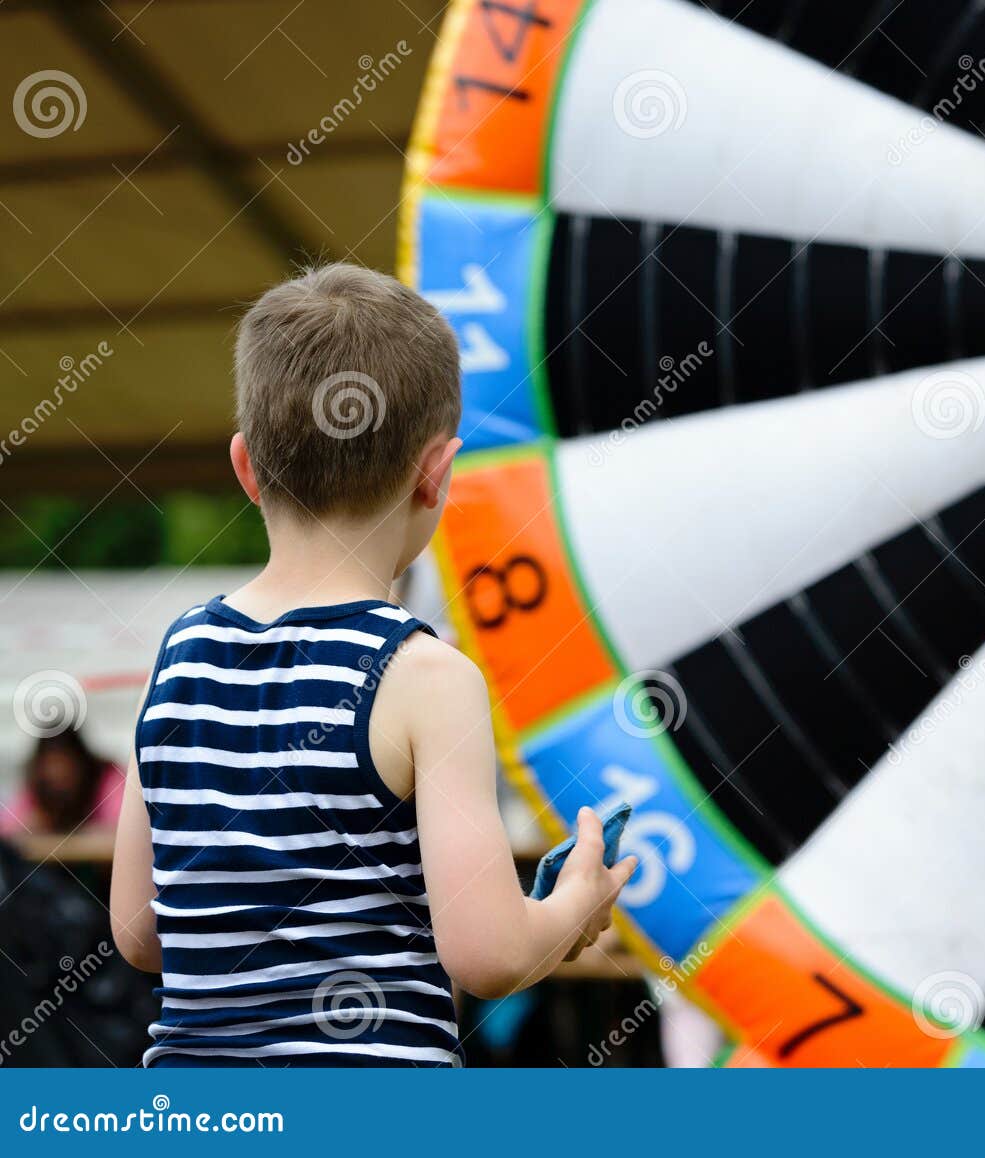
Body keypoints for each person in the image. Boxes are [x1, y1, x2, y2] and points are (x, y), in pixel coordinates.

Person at [109, 263, 635, 1066]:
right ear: (436, 473)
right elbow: (489, 954)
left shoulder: (179, 656)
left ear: (247, 467)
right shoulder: (427, 678)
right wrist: (573, 906)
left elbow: (142, 932)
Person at [2, 727, 123, 837]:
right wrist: (28, 824)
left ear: (80, 764)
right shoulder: (38, 787)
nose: (58, 774)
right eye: (52, 766)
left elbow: (126, 826)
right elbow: (6, 825)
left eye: (64, 767)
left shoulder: (107, 778)